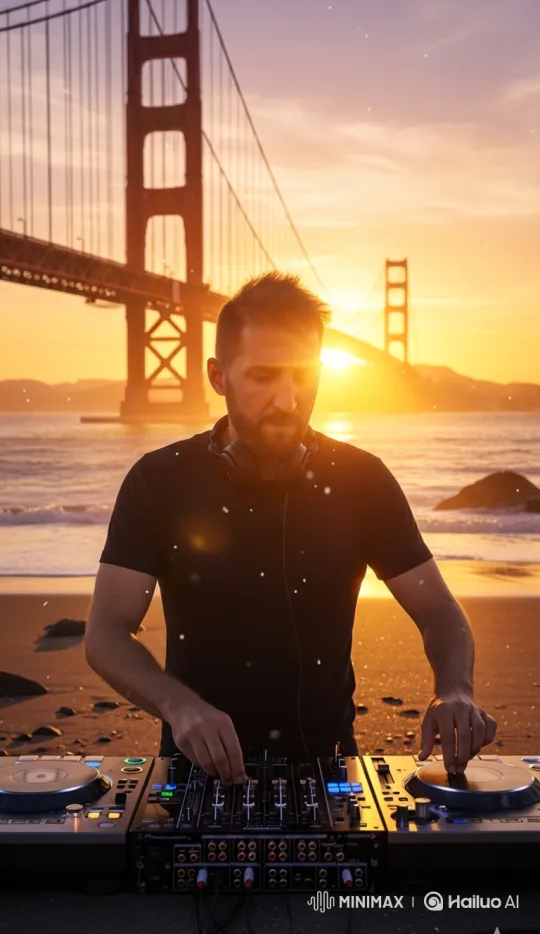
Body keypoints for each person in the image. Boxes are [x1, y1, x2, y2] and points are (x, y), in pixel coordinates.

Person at [85, 271, 497, 786]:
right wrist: (180, 707)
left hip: (330, 772)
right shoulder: (158, 480)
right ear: (218, 377)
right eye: (263, 377)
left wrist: (455, 689)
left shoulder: (362, 479)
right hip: (195, 775)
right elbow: (104, 634)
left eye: (304, 376)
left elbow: (437, 610)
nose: (289, 399)